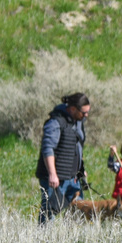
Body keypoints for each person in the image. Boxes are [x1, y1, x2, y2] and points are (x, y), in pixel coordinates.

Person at [37, 92, 90, 223]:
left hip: (73, 177)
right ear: (72, 109)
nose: (86, 116)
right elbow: (48, 148)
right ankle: (44, 239)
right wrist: (52, 174)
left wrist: (81, 169)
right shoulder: (55, 122)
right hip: (55, 178)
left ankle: (73, 240)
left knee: (78, 210)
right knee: (50, 210)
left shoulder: (78, 122)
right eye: (84, 113)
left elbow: (77, 147)